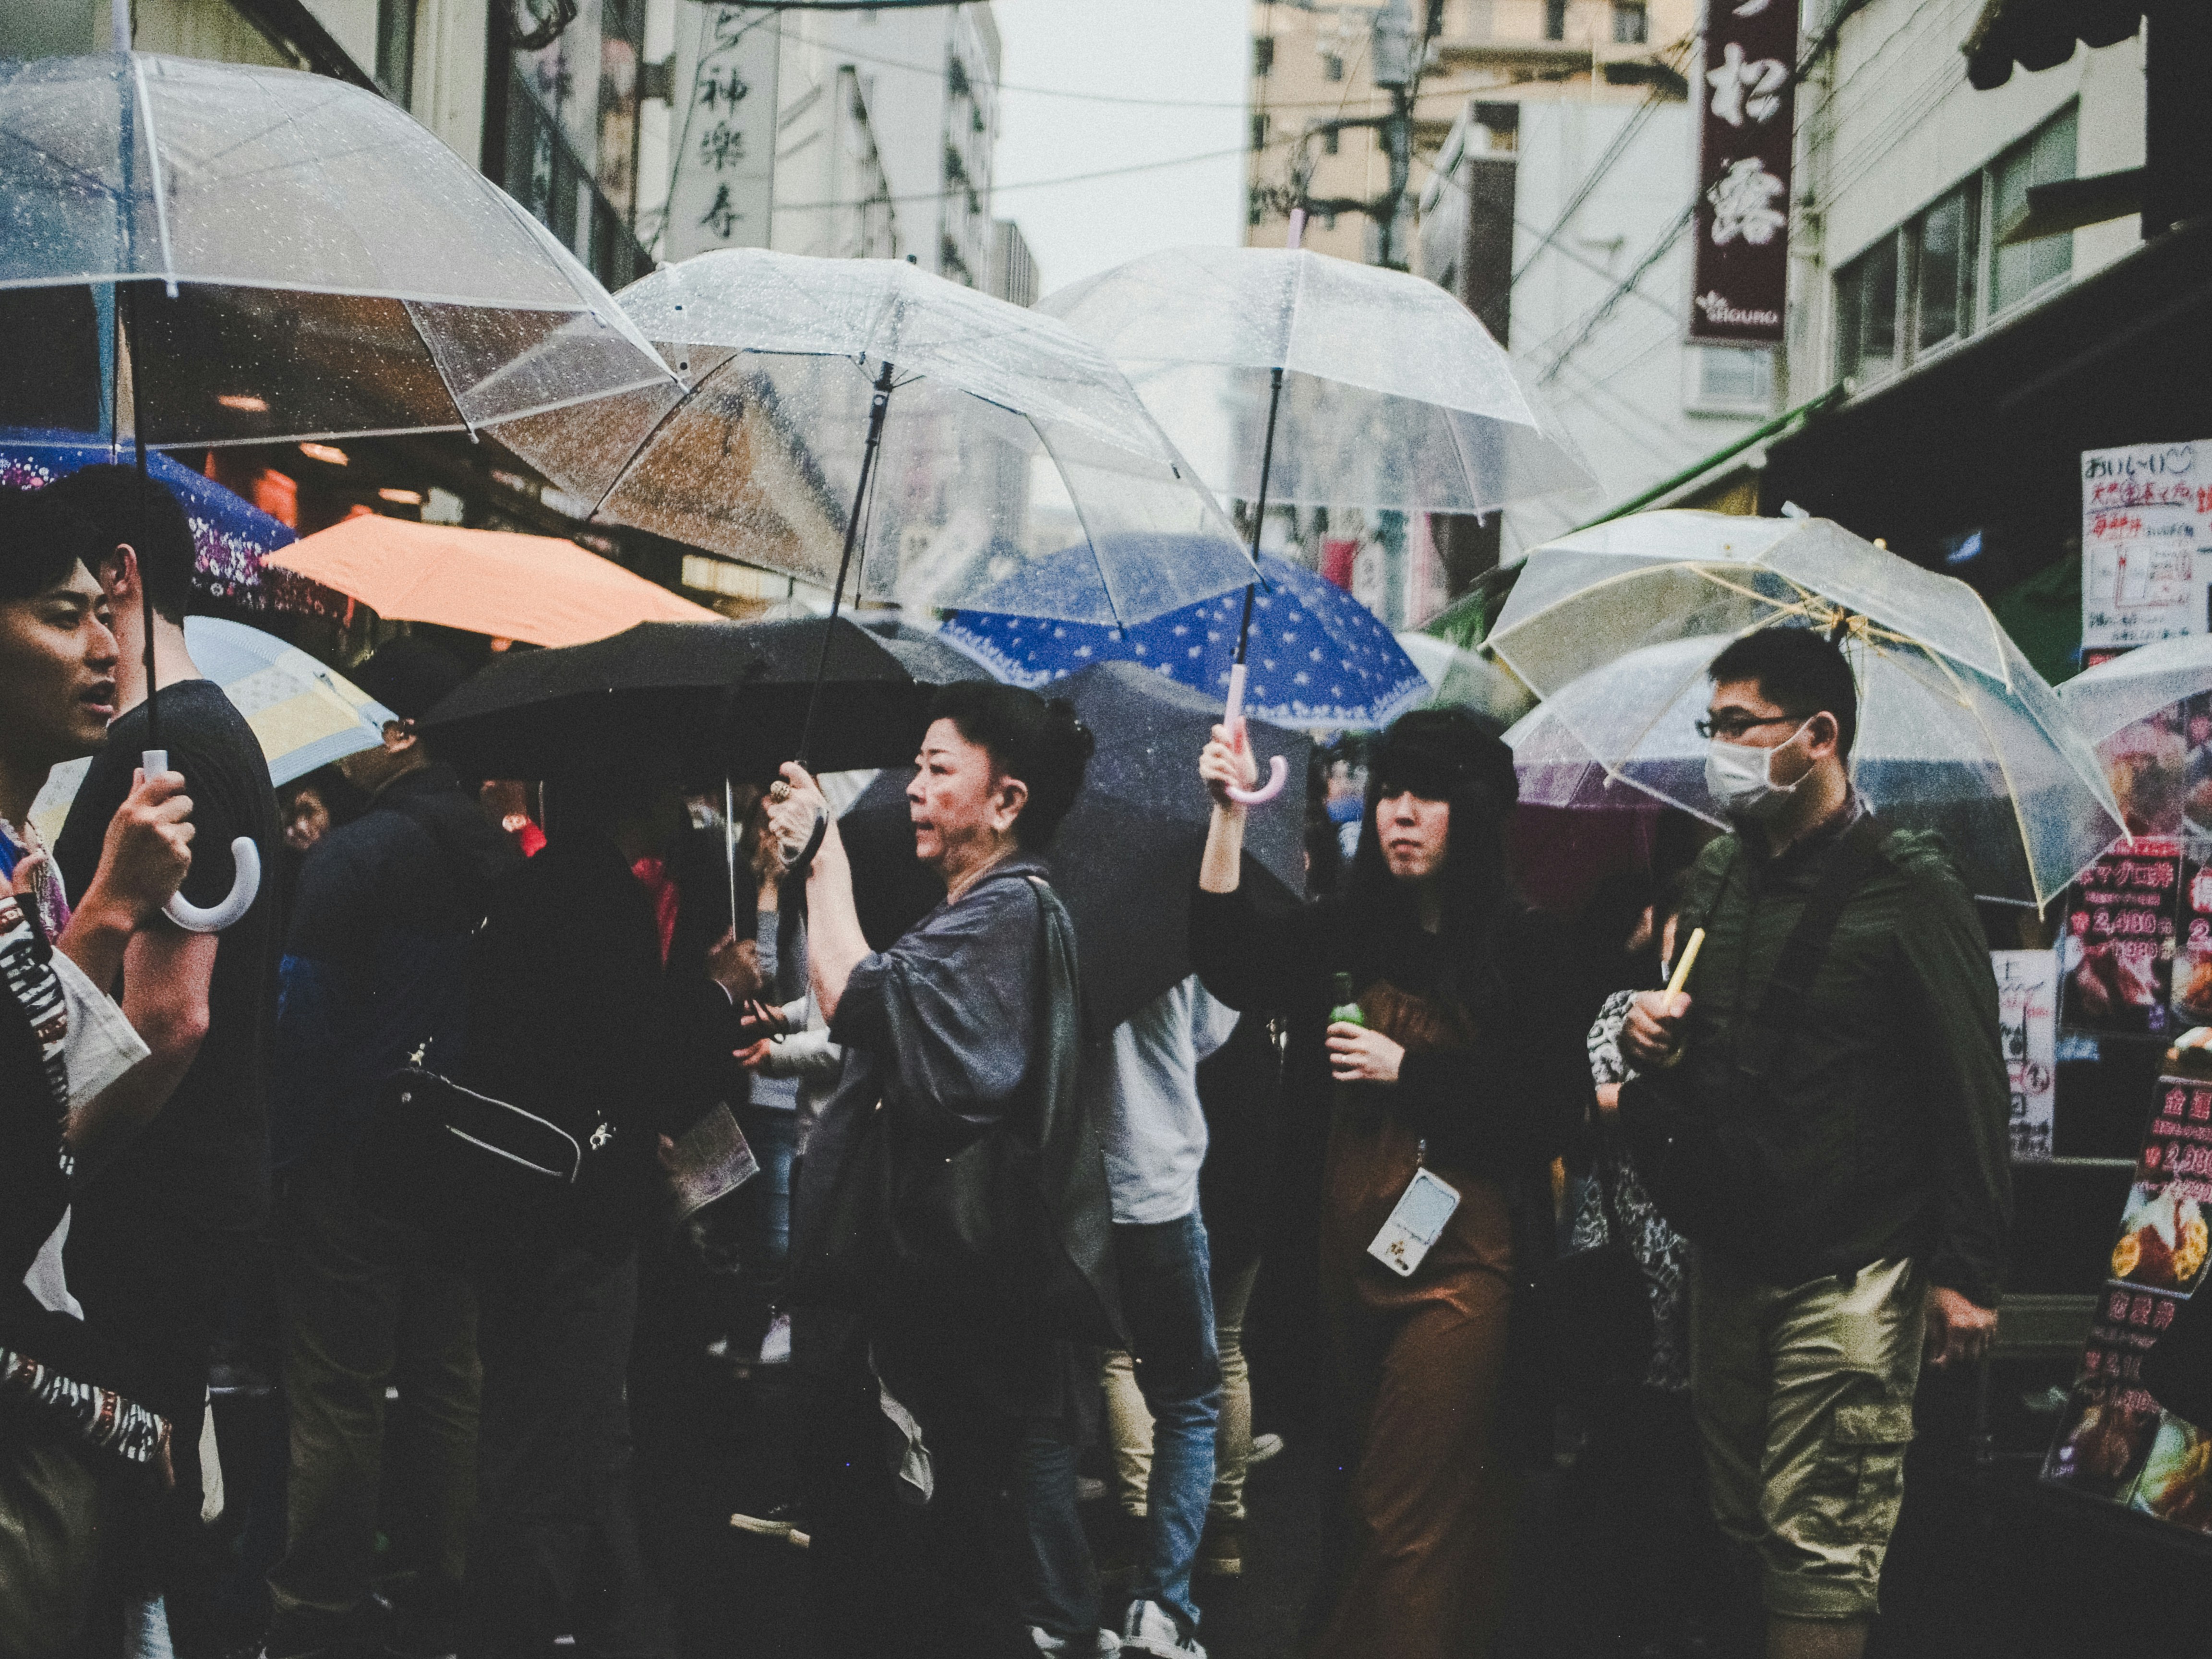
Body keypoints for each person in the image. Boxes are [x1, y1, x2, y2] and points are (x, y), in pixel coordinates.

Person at [1616, 628, 2010, 1659]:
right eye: (1711, 726)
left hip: (1852, 1268)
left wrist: (1967, 1271)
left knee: (1822, 1542)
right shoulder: (1717, 874)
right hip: (1731, 1257)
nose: (1719, 749)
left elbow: (1971, 1082)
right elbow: (1697, 1062)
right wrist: (1651, 1041)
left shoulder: (1910, 886)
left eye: (1739, 725)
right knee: (1745, 1524)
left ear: (1821, 736)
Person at [1191, 706, 1586, 1659]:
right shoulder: (1347, 930)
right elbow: (1231, 960)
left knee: (1404, 1502)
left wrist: (1409, 1071)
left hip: (1465, 1262)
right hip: (1345, 1254)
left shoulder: (1526, 947)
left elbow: (1548, 1111)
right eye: (1390, 793)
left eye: (1429, 796)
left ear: (1475, 812)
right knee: (1377, 1492)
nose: (1400, 814)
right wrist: (1229, 814)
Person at [774, 681, 1113, 1658]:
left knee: (941, 1567)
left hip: (956, 1299)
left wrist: (822, 856)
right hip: (955, 1295)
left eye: (936, 769)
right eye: (915, 767)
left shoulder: (1008, 912)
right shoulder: (985, 908)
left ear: (1007, 802)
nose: (914, 788)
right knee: (936, 1554)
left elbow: (857, 998)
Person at [47, 464, 286, 1651]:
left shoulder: (166, 743)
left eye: (73, 596)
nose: (77, 630)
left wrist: (57, 1159)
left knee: (129, 1517)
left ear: (122, 576)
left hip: (151, 1195)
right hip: (197, 1183)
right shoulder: (205, 729)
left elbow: (170, 1015)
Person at [444, 761, 753, 1659]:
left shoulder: (540, 883)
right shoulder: (601, 893)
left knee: (540, 1430)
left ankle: (589, 1612)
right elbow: (636, 1048)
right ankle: (526, 1627)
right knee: (558, 1442)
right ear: (636, 797)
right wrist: (718, 989)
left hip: (521, 1202)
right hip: (577, 1216)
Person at [260, 638, 520, 1659]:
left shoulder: (356, 855)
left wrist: (286, 1160)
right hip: (462, 1158)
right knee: (449, 1371)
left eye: (356, 715)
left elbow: (304, 1022)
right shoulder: (500, 856)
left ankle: (319, 1605)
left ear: (403, 732)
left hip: (354, 1160)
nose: (340, 739)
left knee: (339, 1388)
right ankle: (439, 1578)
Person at [0, 481, 198, 1652]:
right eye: (59, 614)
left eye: (103, 613)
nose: (105, 647)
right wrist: (113, 914)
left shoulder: (33, 860)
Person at [1573, 873, 1729, 1659]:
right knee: (1633, 1444)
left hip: (1709, 1267)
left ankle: (1685, 1608)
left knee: (1702, 1453)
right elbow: (1582, 1104)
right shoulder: (1622, 1012)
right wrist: (1644, 1099)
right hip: (1630, 1258)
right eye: (1679, 924)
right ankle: (1630, 1612)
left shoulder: (1735, 1027)